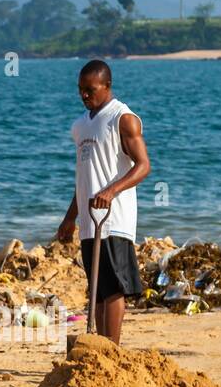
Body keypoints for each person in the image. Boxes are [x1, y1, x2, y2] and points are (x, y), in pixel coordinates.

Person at [55, 59, 151, 344]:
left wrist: (110, 192)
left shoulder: (123, 118)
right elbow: (83, 179)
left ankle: (112, 350)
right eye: (80, 90)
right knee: (96, 287)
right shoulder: (80, 126)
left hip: (114, 219)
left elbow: (143, 166)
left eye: (90, 89)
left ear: (107, 86)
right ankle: (98, 348)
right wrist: (70, 217)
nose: (84, 95)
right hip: (89, 221)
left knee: (112, 288)